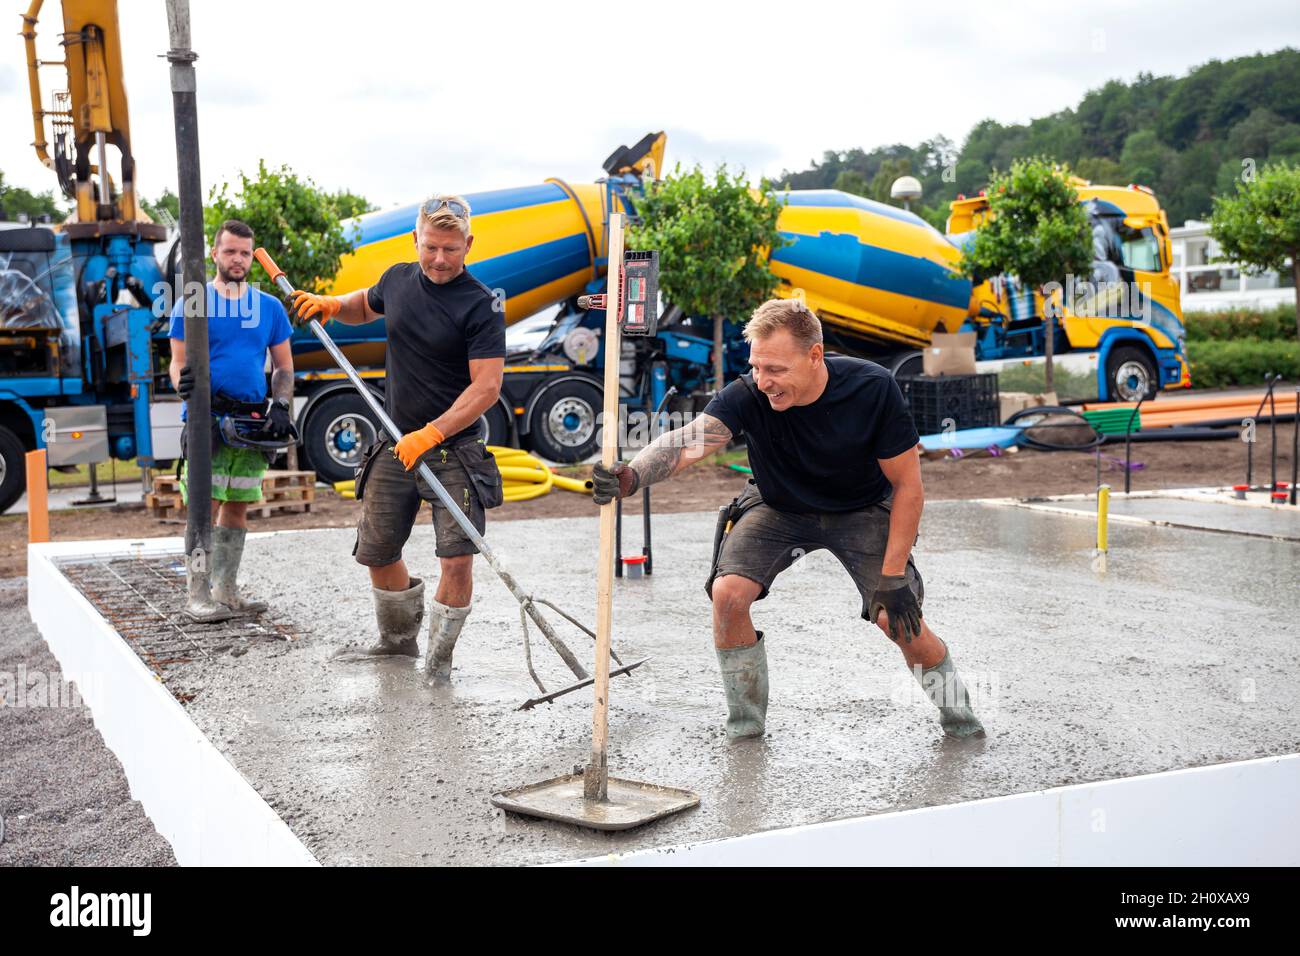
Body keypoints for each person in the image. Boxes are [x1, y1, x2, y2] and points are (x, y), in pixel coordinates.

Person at [592, 298, 984, 741]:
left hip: (861, 507)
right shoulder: (748, 394)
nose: (763, 381)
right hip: (778, 505)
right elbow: (688, 442)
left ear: (815, 356)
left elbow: (909, 486)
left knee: (898, 621)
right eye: (757, 367)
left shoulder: (872, 389)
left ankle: (962, 719)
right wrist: (632, 476)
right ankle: (744, 727)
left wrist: (893, 576)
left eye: (775, 369)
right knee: (728, 595)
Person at [290, 195, 505, 684]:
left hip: (453, 448)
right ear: (416, 240)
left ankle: (439, 661)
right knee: (378, 549)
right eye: (431, 247)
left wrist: (431, 434)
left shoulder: (481, 304)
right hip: (395, 441)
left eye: (451, 249)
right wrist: (330, 305)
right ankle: (397, 643)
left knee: (456, 557)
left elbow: (487, 387)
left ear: (468, 244)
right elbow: (363, 305)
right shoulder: (398, 279)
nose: (440, 259)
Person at [169, 218, 295, 615]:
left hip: (250, 425)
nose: (238, 259)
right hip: (207, 419)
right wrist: (181, 385)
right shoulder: (194, 301)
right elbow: (177, 364)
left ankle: (225, 590)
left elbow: (283, 368)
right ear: (214, 254)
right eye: (230, 252)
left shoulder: (269, 307)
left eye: (244, 253)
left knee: (237, 505)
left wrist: (282, 405)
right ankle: (197, 594)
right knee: (203, 505)